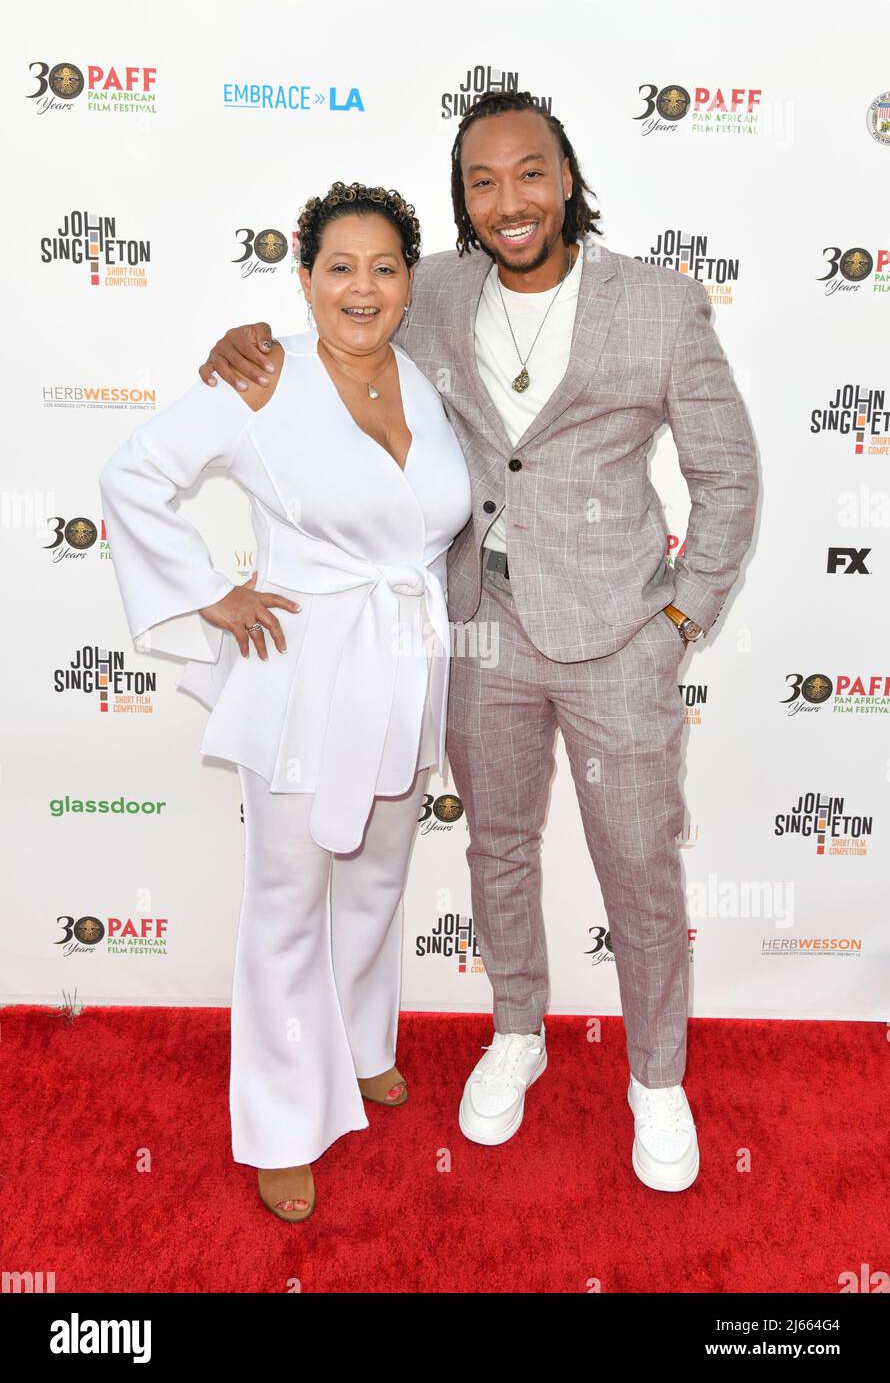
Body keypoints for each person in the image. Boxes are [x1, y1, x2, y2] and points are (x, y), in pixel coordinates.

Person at [197, 91, 760, 1194]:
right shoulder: (432, 292)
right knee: (498, 845)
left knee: (638, 866)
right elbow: (340, 318)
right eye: (483, 182)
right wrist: (241, 338)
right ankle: (516, 1031)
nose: (510, 201)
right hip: (477, 637)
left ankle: (656, 1079)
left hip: (618, 641)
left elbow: (726, 475)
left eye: (529, 173)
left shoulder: (655, 305)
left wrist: (679, 619)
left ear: (566, 176)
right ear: (463, 201)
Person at [98, 182, 473, 1222]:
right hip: (304, 678)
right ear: (302, 278)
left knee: (378, 876)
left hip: (406, 669)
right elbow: (133, 473)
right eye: (338, 266)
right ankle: (275, 1119)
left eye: (384, 266)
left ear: (411, 281)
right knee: (284, 907)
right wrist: (209, 592)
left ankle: (358, 1044)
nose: (362, 286)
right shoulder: (260, 376)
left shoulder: (424, 374)